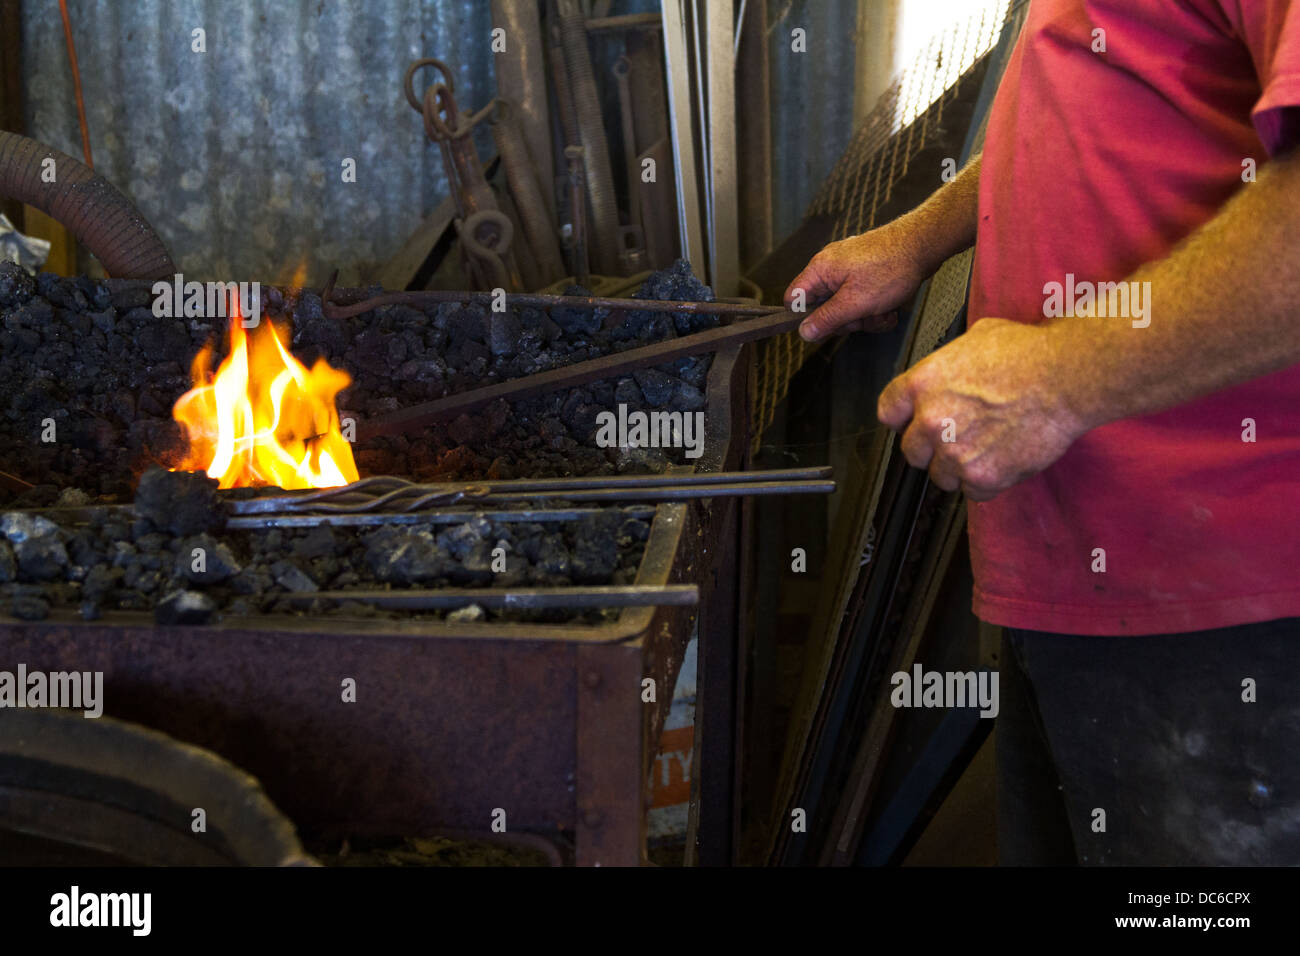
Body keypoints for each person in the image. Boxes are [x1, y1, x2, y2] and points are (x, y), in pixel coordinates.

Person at [786, 0, 1300, 865]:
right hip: (1075, 566)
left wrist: (1056, 385)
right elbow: (1111, 105)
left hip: (1224, 593)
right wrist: (919, 238)